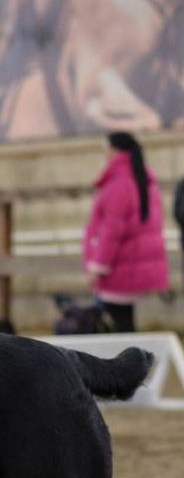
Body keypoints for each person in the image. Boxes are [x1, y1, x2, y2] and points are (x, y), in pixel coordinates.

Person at [83, 132, 169, 332]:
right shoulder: (142, 178)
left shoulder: (119, 183)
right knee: (125, 321)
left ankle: (128, 363)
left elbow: (111, 231)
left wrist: (98, 267)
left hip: (118, 266)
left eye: (106, 148)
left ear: (115, 151)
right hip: (132, 263)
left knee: (120, 325)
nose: (104, 153)